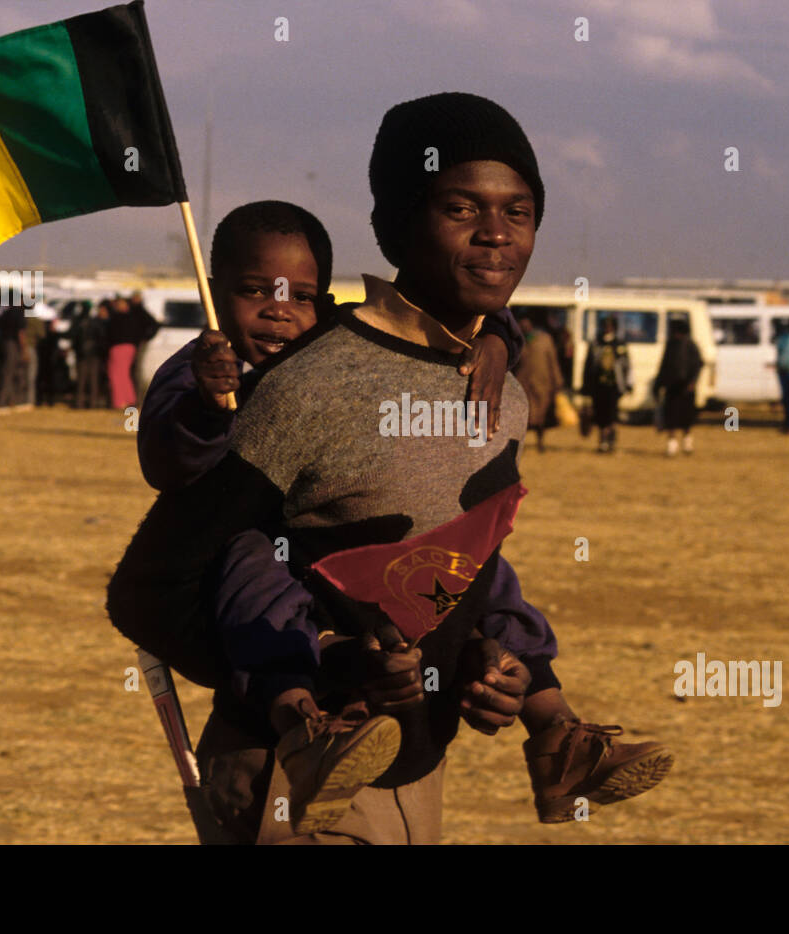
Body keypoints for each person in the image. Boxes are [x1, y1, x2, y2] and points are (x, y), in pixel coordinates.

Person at [108, 94, 673, 845]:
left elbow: (451, 572)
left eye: (521, 211)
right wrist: (312, 678)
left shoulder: (499, 391)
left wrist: (484, 668)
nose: (496, 234)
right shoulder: (312, 383)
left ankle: (558, 739)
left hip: (420, 773)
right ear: (401, 222)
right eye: (462, 208)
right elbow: (149, 592)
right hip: (301, 786)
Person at [513, 309, 564, 451]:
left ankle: (540, 442)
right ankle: (519, 443)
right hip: (523, 383)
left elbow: (553, 362)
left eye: (525, 322)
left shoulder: (545, 339)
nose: (523, 325)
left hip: (542, 383)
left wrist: (557, 381)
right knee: (523, 416)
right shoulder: (518, 340)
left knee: (541, 415)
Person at [653, 319, 703, 456]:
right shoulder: (670, 345)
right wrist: (658, 384)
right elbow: (664, 366)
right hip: (671, 387)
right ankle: (672, 445)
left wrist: (692, 382)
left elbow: (698, 364)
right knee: (671, 418)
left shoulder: (690, 345)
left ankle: (687, 443)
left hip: (686, 388)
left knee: (686, 418)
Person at [582, 315, 630, 453]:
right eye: (605, 326)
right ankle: (602, 441)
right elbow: (588, 365)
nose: (607, 329)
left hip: (614, 386)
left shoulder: (619, 344)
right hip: (598, 386)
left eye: (610, 326)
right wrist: (586, 385)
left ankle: (611, 440)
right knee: (601, 414)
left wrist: (627, 384)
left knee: (612, 414)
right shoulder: (596, 343)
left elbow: (626, 365)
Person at [73, 301, 109, 409]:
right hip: (94, 354)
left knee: (81, 380)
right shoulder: (96, 322)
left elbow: (74, 337)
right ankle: (93, 403)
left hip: (82, 354)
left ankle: (79, 403)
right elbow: (101, 337)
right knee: (94, 380)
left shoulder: (78, 321)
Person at [0, 303, 27, 412]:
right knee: (9, 374)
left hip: (4, 344)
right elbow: (20, 333)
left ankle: (11, 401)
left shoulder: (6, 312)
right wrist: (24, 350)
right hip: (12, 345)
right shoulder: (19, 312)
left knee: (8, 373)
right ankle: (1, 403)